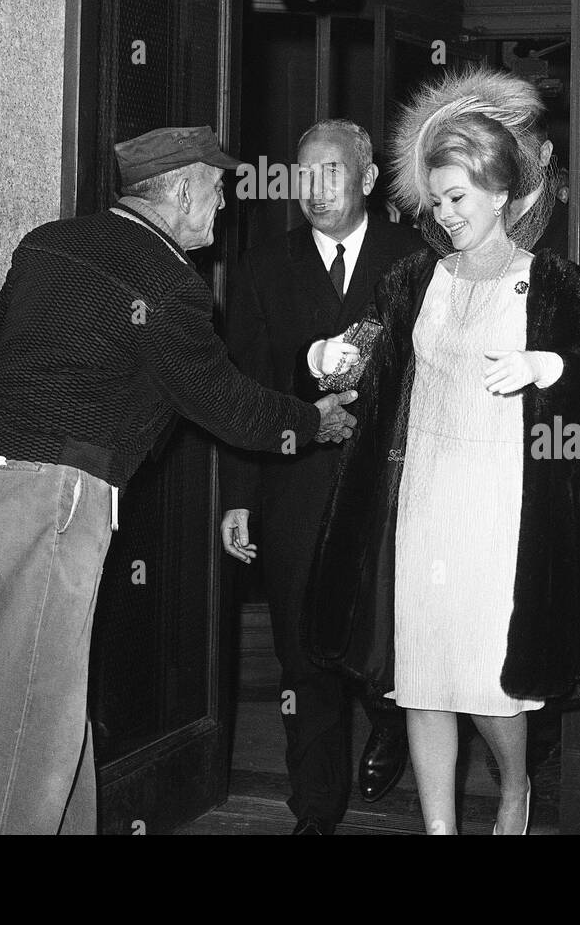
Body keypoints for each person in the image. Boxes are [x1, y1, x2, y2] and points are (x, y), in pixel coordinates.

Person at [0, 126, 358, 836]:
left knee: (51, 702)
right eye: (218, 187)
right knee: (25, 722)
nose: (226, 204)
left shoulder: (48, 242)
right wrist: (313, 420)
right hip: (61, 498)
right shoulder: (167, 283)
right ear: (180, 190)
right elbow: (227, 403)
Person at [301, 67, 580, 835]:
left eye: (459, 198)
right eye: (436, 202)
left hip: (506, 505)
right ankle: (439, 830)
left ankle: (512, 789)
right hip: (423, 497)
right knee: (423, 677)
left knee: (492, 681)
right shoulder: (412, 281)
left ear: (502, 192)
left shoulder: (556, 284)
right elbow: (365, 355)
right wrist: (326, 356)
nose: (446, 215)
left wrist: (549, 366)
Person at [220, 119, 422, 834]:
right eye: (302, 176)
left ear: (367, 179)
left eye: (330, 173)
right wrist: (240, 499)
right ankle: (314, 809)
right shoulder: (261, 267)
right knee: (303, 654)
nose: (314, 189)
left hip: (392, 487)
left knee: (385, 636)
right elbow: (243, 386)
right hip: (296, 486)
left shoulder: (416, 259)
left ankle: (392, 717)